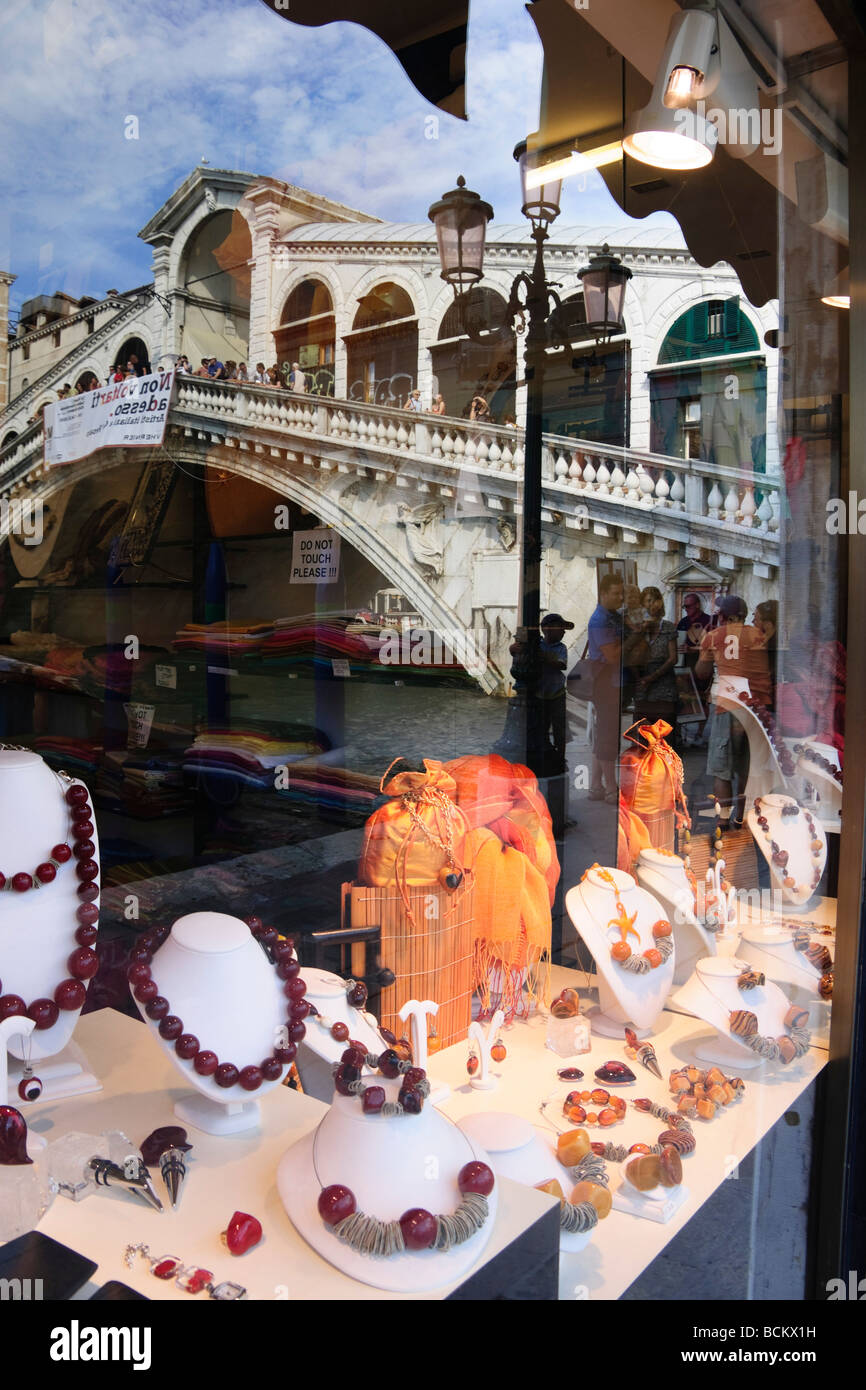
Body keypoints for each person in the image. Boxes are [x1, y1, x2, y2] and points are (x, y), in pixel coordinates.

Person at [695, 595, 770, 826]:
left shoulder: (713, 636)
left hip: (727, 705)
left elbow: (701, 672)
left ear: (723, 615)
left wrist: (702, 647)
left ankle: (722, 821)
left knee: (722, 769)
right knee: (747, 767)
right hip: (756, 707)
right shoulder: (757, 635)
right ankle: (742, 816)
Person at [587, 572, 624, 803]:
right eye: (616, 593)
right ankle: (611, 787)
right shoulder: (600, 620)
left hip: (611, 680)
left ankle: (594, 786)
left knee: (604, 736)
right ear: (603, 594)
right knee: (608, 737)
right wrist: (632, 640)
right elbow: (612, 656)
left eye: (622, 593)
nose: (621, 597)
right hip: (605, 680)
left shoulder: (612, 617)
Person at [633, 586, 678, 733]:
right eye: (646, 602)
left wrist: (653, 677)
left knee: (663, 733)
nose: (649, 605)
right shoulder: (638, 628)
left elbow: (673, 658)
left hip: (663, 684)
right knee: (643, 732)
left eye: (652, 601)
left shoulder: (668, 627)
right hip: (642, 684)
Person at [538, 612, 573, 762]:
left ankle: (560, 755)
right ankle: (545, 752)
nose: (564, 632)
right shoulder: (537, 644)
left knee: (559, 727)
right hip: (540, 693)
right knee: (542, 726)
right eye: (561, 628)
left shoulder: (561, 647)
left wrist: (543, 657)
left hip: (557, 693)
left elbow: (561, 664)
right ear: (547, 629)